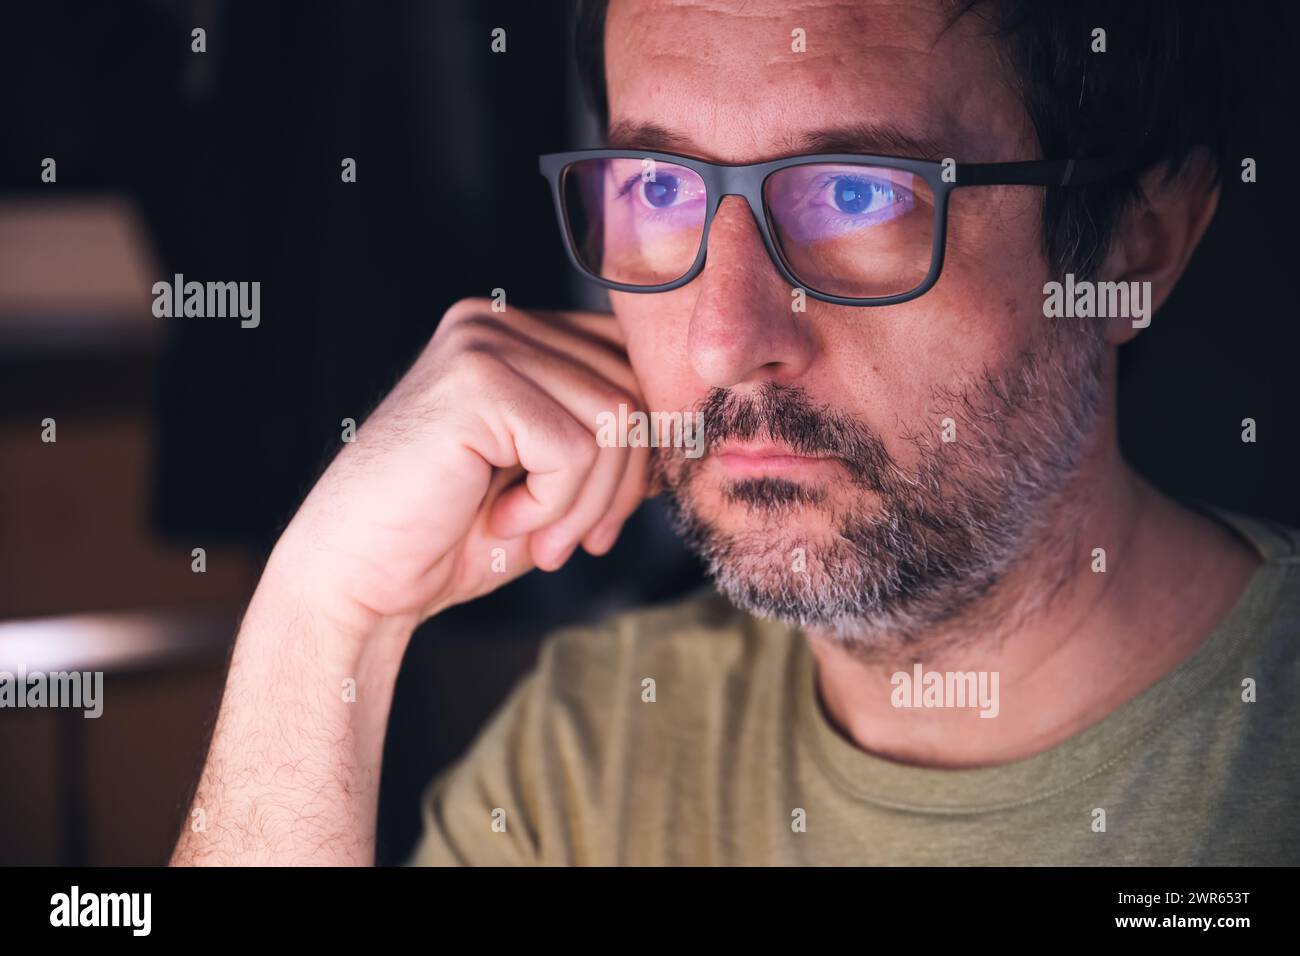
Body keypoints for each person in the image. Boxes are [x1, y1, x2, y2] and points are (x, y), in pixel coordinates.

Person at [171, 0, 1299, 866]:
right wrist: (321, 625)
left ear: (1133, 249)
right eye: (657, 189)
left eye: (856, 192)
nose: (723, 339)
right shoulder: (584, 761)